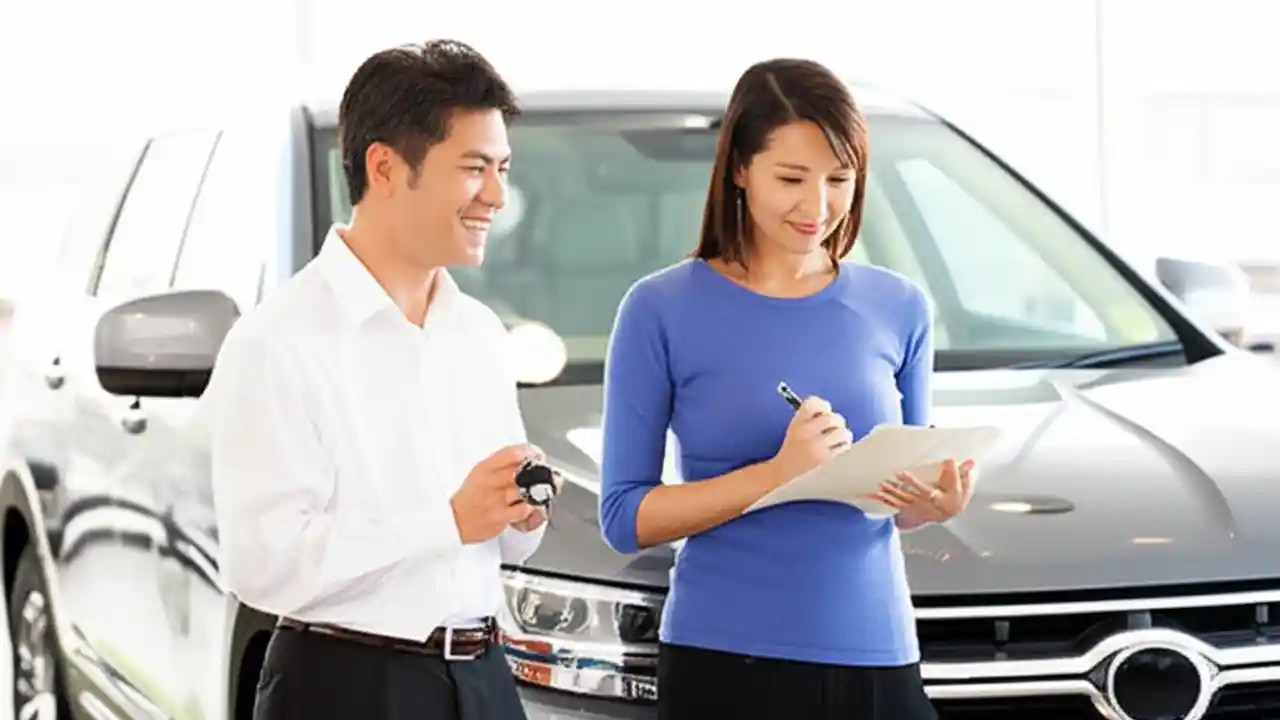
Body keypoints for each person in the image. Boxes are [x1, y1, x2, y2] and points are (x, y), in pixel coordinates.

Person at [598, 58, 977, 720]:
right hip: (726, 659)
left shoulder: (900, 307)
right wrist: (778, 474)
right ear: (740, 169)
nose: (819, 206)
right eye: (792, 178)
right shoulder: (660, 309)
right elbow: (624, 518)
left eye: (839, 179)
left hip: (878, 653)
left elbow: (900, 501)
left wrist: (932, 503)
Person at [206, 40, 548, 720]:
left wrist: (520, 509)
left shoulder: (478, 333)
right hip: (347, 686)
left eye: (502, 168)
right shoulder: (277, 341)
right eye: (474, 168)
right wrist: (447, 520)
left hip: (484, 678)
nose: (496, 196)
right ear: (385, 167)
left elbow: (499, 544)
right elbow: (263, 563)